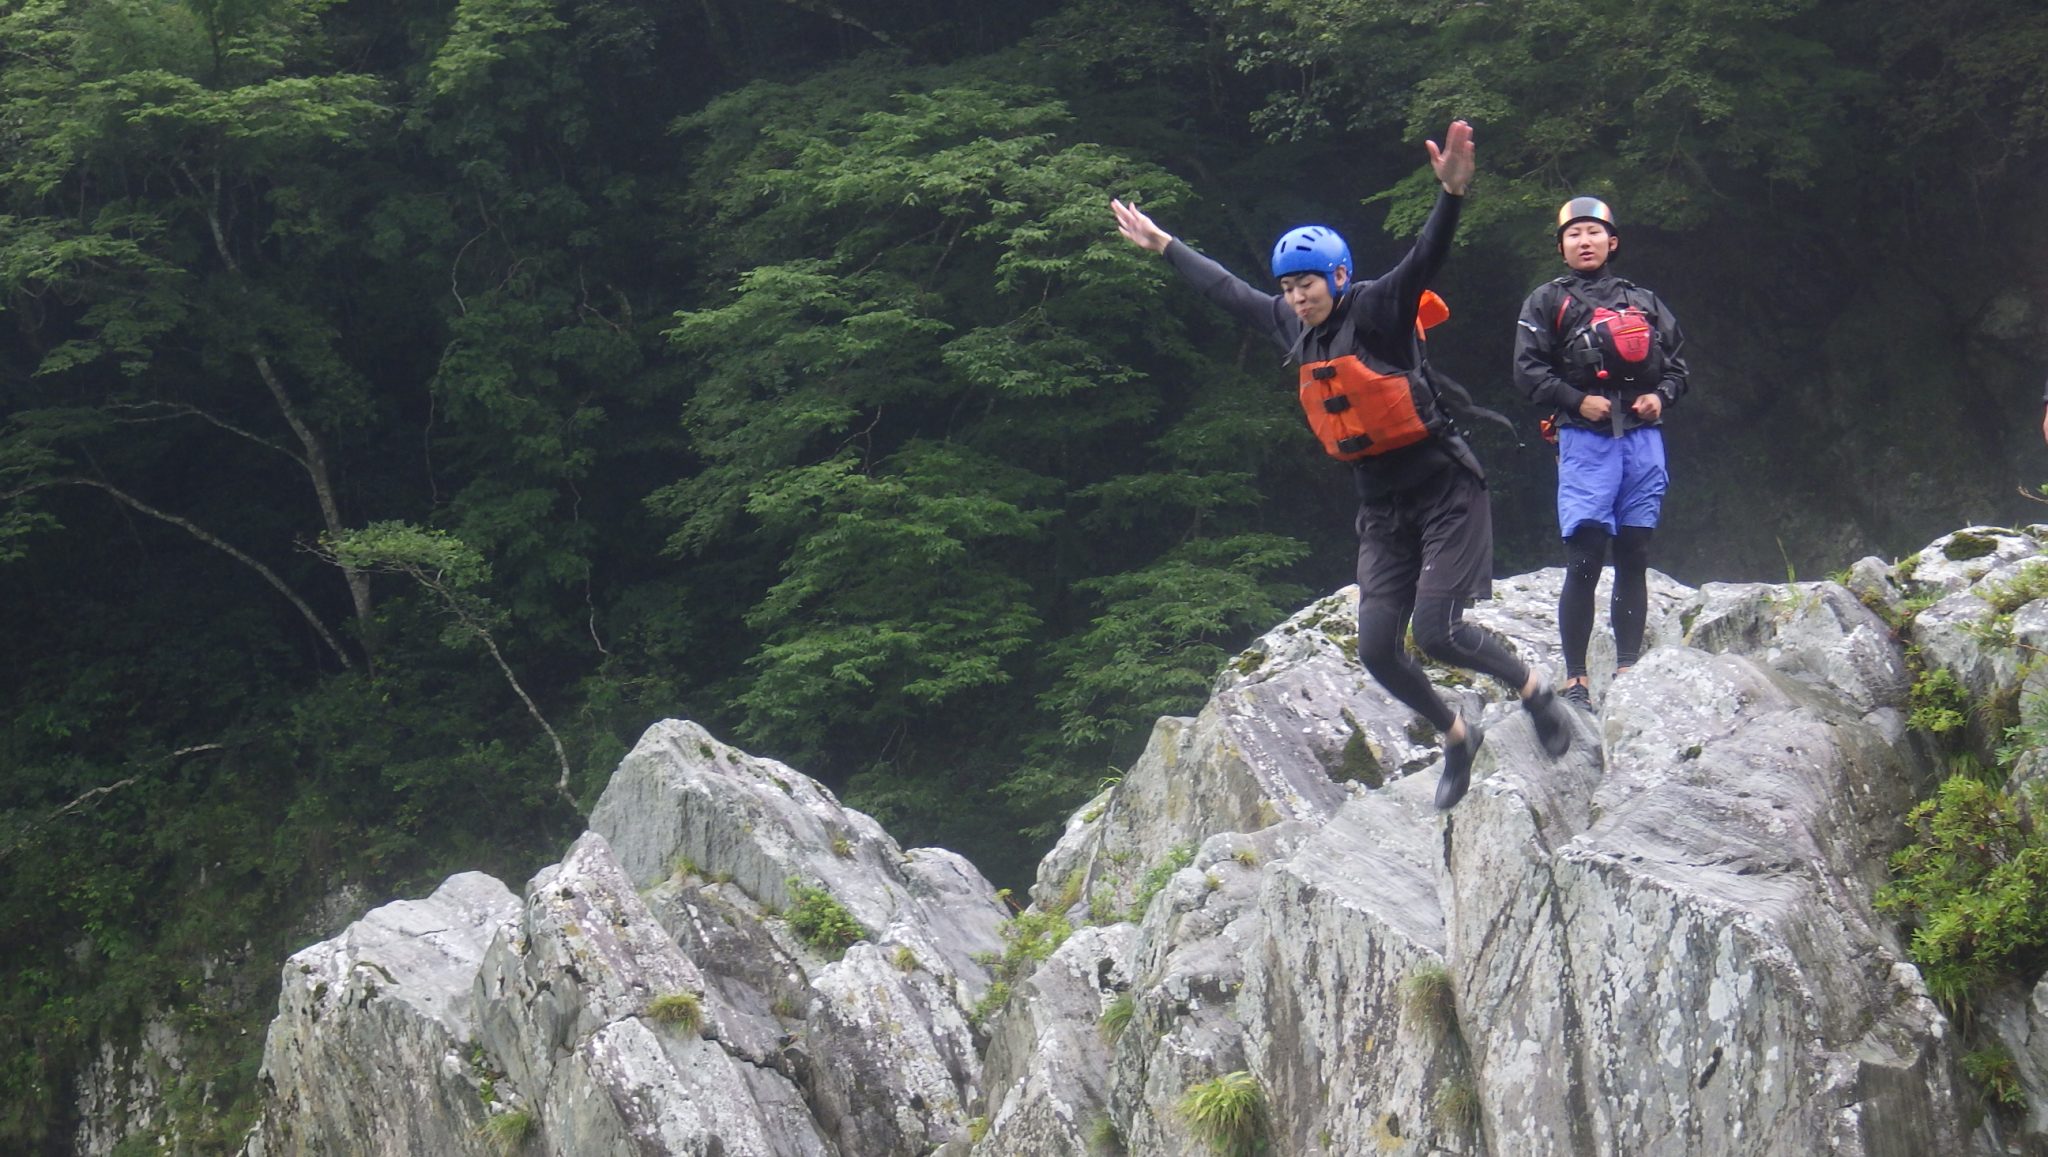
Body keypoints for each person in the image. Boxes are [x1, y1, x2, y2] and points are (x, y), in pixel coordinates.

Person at [1111, 120, 1573, 812]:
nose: (1298, 297)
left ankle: (1534, 690)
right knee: (1381, 648)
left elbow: (1425, 257)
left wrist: (1451, 194)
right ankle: (1456, 734)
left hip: (1446, 488)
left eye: (1309, 285)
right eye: (1290, 287)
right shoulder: (1288, 323)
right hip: (1382, 508)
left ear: (1339, 277)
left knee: (1438, 631)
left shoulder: (1380, 307)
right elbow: (1226, 291)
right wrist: (1166, 245)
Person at [1513, 196, 1690, 710]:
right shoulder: (1546, 302)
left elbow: (1679, 366)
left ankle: (1630, 669)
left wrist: (1663, 396)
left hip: (1641, 438)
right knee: (1586, 556)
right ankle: (1576, 681)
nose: (1584, 241)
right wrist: (1576, 400)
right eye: (1573, 234)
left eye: (1593, 232)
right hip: (1584, 440)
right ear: (1562, 246)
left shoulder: (1644, 301)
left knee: (1634, 552)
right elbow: (1527, 372)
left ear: (1612, 241)